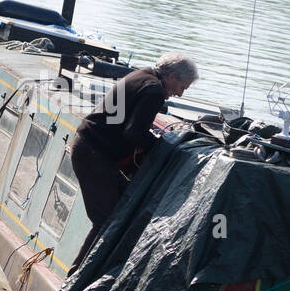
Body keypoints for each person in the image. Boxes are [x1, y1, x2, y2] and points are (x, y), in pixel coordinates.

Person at [69, 52, 199, 266]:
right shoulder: (154, 90)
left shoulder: (141, 75)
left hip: (88, 147)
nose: (180, 94)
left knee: (126, 206)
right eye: (183, 86)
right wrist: (162, 146)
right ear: (173, 75)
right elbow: (133, 134)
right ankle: (74, 280)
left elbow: (129, 123)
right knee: (107, 222)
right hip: (95, 154)